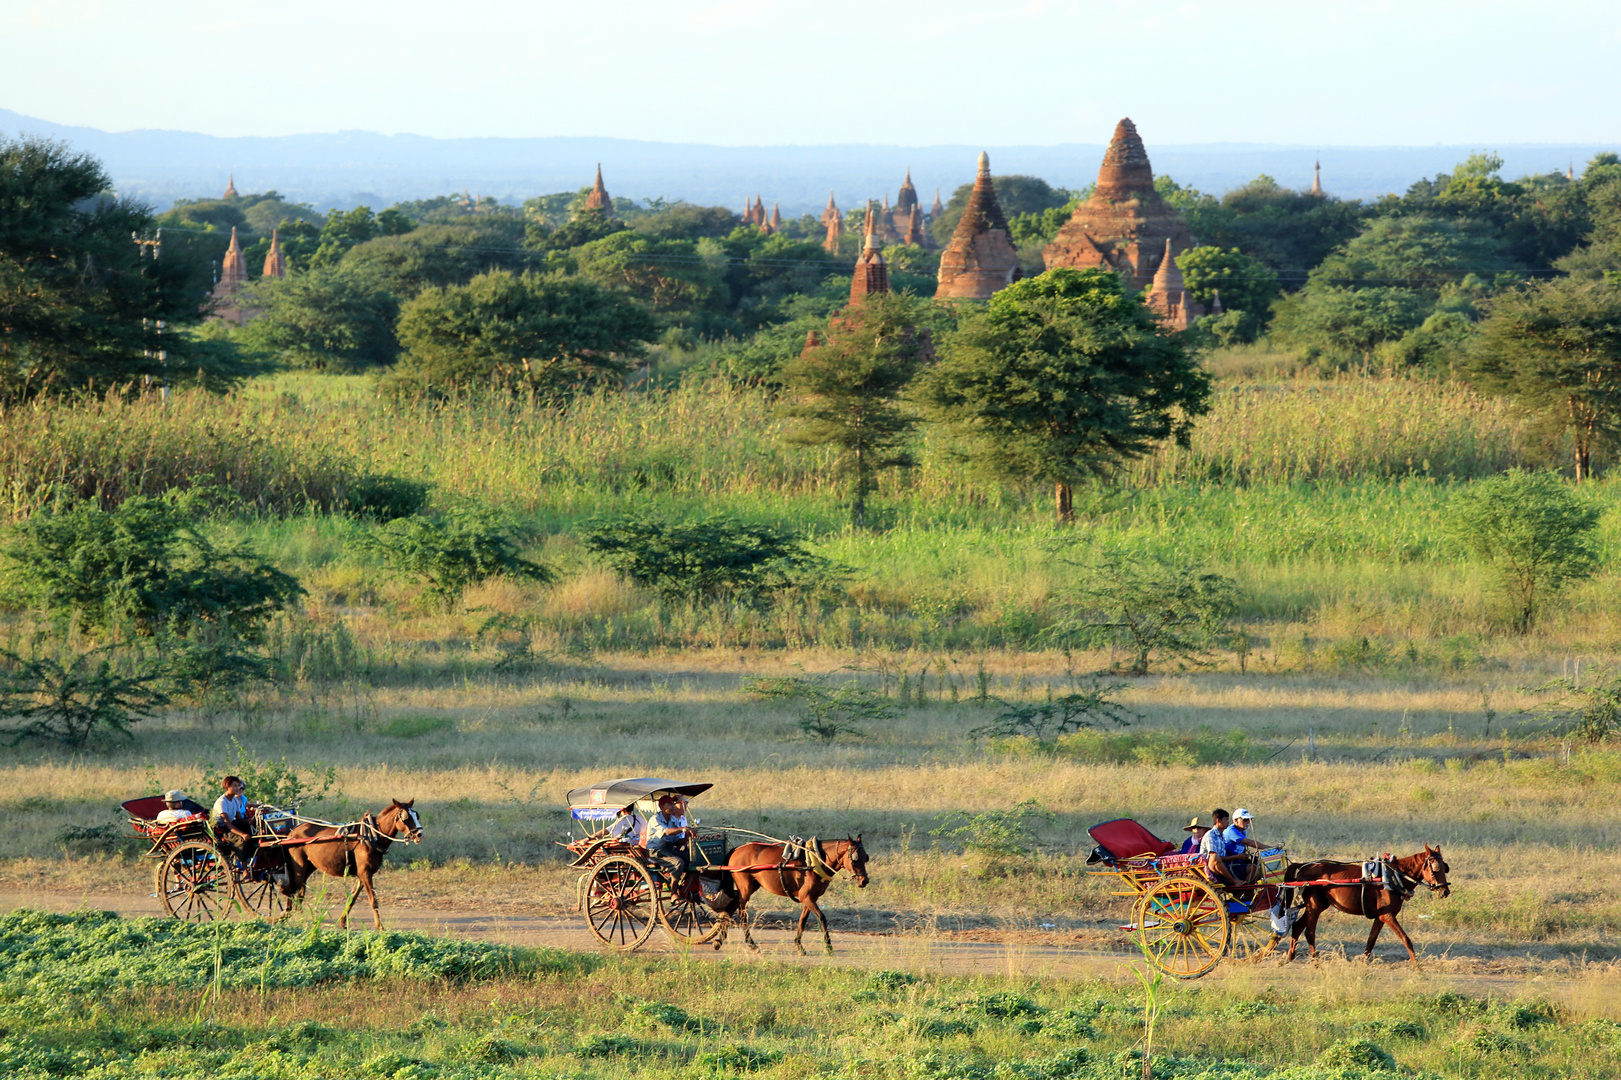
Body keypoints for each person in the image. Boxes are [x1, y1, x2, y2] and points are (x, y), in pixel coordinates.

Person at [211, 775, 257, 864]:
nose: (238, 788)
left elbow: (240, 819)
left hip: (233, 823)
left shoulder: (235, 800)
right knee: (241, 840)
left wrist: (250, 821)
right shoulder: (222, 802)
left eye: (238, 786)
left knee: (255, 832)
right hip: (222, 828)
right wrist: (243, 834)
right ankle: (244, 870)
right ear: (227, 787)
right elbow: (227, 824)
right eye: (235, 786)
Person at [645, 794, 692, 878]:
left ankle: (682, 881)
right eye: (669, 804)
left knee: (691, 857)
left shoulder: (673, 820)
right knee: (678, 862)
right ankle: (674, 888)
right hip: (655, 851)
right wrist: (683, 829)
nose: (673, 806)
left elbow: (677, 841)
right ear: (662, 807)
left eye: (673, 804)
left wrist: (688, 837)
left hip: (668, 849)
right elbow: (667, 832)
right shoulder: (655, 819)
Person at [1199, 808, 1243, 886]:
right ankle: (1232, 880)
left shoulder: (1222, 836)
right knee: (1215, 857)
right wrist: (1235, 857)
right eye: (1226, 820)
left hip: (1221, 866)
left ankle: (1236, 896)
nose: (1228, 822)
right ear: (1218, 821)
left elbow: (1222, 857)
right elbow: (1214, 857)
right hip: (1209, 868)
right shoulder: (1210, 835)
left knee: (1251, 868)